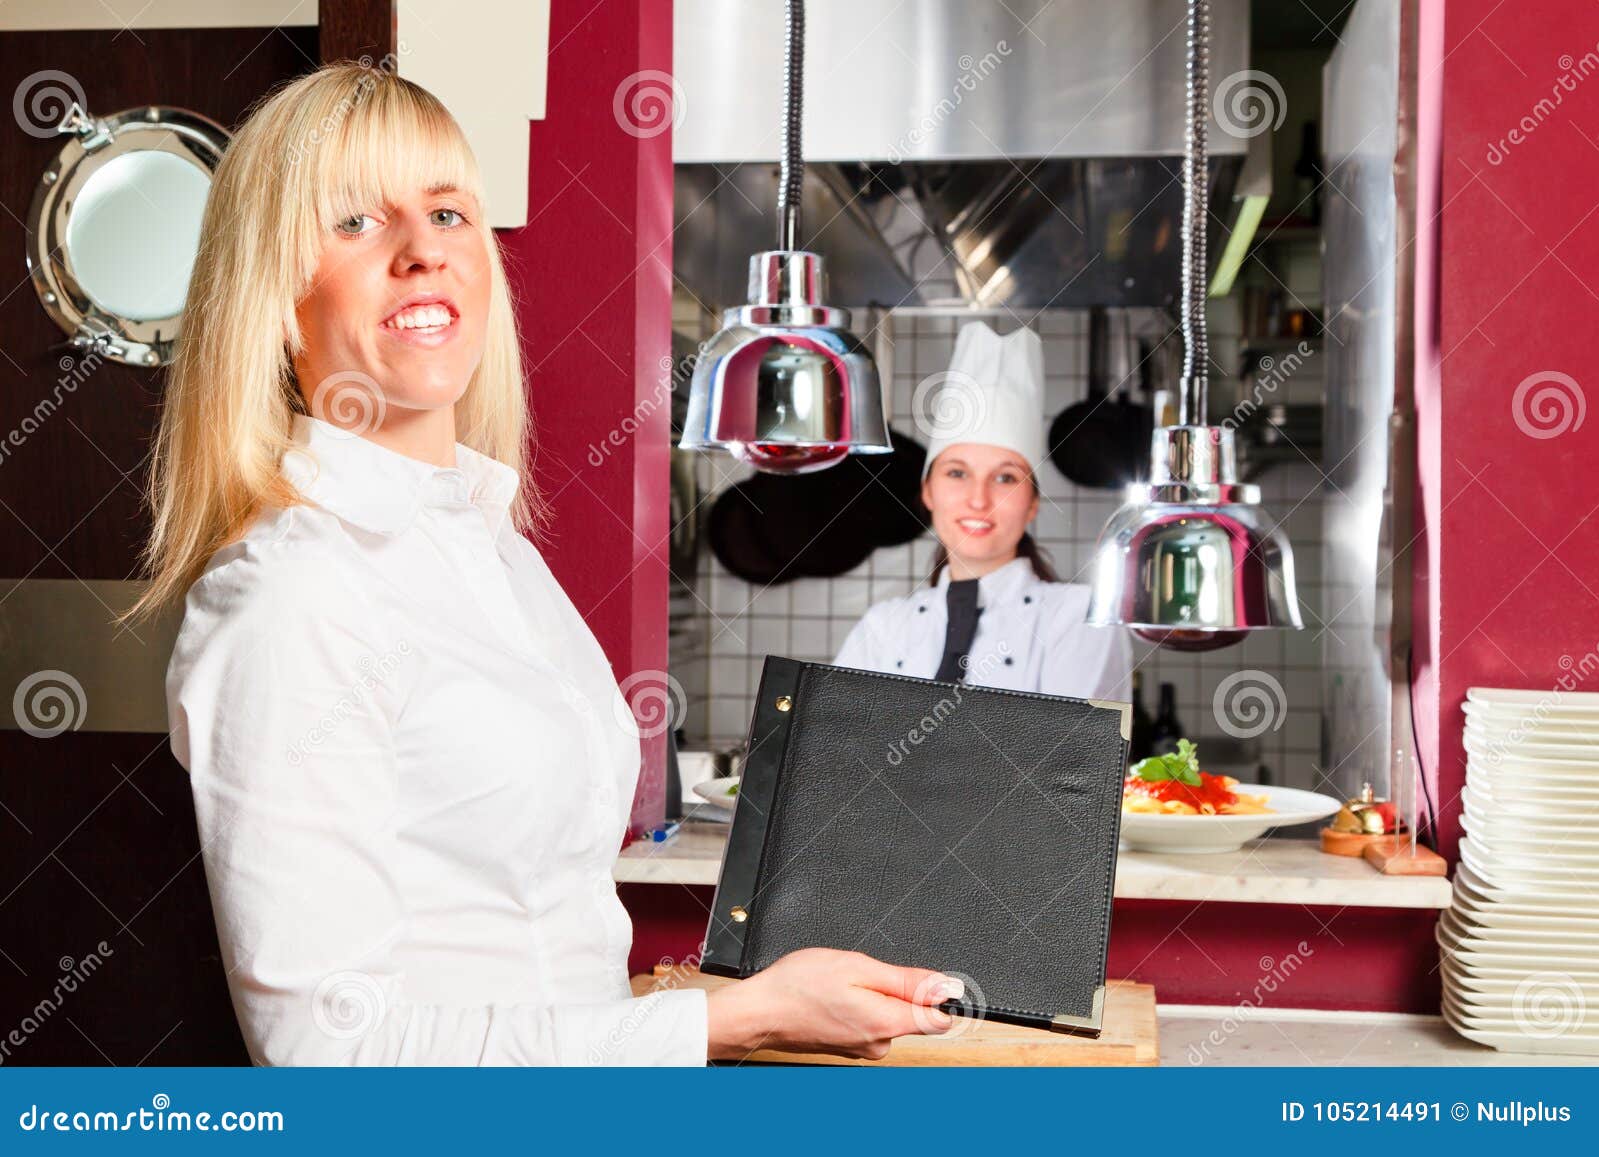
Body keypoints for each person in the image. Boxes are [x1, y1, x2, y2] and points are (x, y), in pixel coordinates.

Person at [127, 63, 961, 1066]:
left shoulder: (495, 548)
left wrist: (727, 1005)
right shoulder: (293, 592)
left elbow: (537, 937)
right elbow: (327, 1055)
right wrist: (731, 1018)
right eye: (353, 221)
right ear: (274, 291)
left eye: (446, 212)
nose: (420, 254)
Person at [834, 322, 1133, 701]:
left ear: (1032, 503)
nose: (979, 499)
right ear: (928, 491)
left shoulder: (1078, 619)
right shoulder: (883, 627)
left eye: (1005, 478)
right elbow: (840, 753)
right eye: (957, 473)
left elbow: (1077, 759)